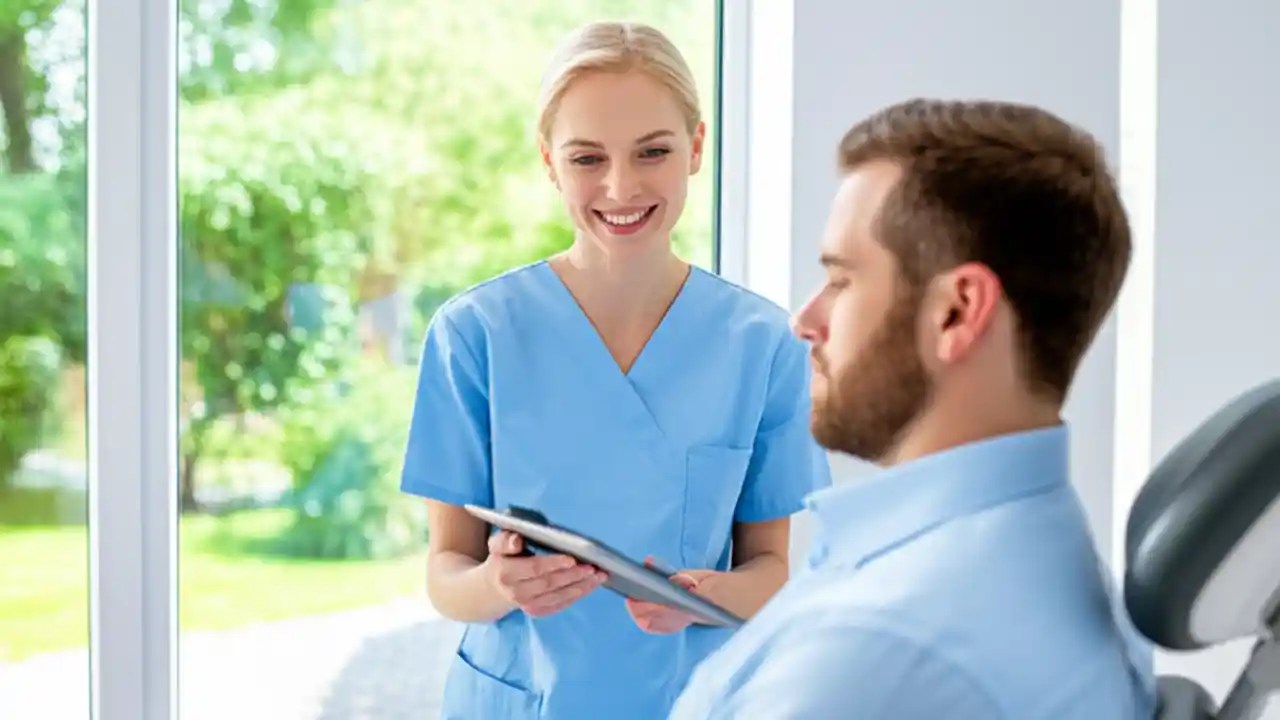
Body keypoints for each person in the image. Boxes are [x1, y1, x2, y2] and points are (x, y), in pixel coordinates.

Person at [669, 98, 1159, 719]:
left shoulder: (874, 652)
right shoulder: (1048, 557)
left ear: (956, 311)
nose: (807, 320)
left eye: (843, 281)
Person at [399, 21, 830, 720]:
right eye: (587, 158)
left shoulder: (763, 347)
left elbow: (771, 570)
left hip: (691, 700)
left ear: (695, 147)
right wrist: (502, 585)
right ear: (548, 162)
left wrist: (704, 598)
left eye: (652, 152)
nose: (621, 187)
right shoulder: (473, 335)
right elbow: (446, 575)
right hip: (520, 699)